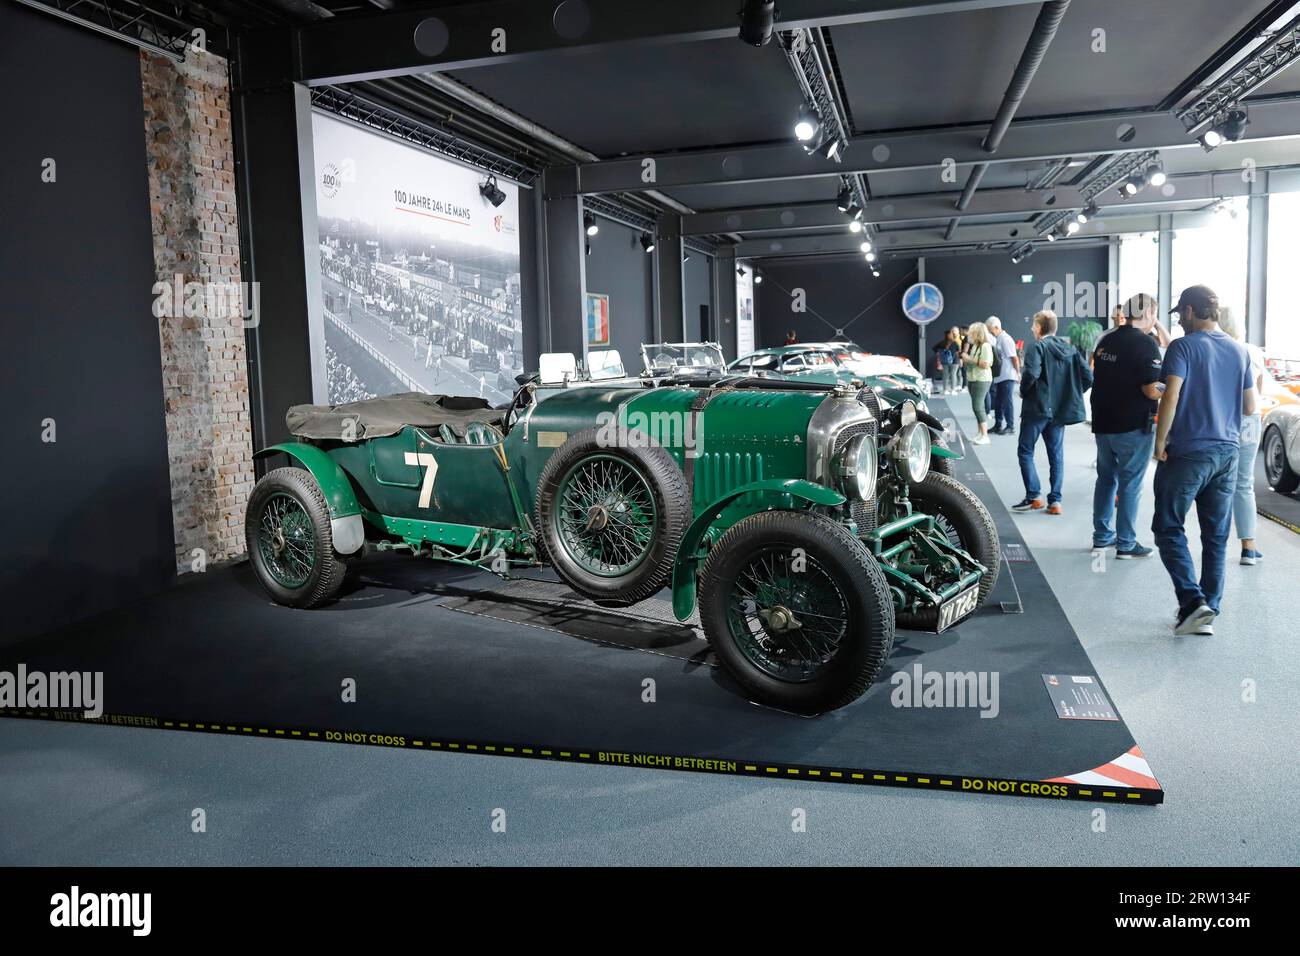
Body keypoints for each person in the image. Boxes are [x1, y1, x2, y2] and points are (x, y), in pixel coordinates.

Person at [1152, 285, 1258, 636]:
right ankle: (1209, 607)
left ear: (1191, 311)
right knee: (1216, 534)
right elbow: (1249, 407)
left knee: (1168, 526)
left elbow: (1170, 397)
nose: (1180, 321)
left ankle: (1192, 602)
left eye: (1180, 313)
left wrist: (1160, 442)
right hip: (1227, 453)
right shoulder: (1239, 350)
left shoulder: (1182, 347)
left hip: (1188, 452)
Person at [1090, 293, 1163, 557]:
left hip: (1103, 422)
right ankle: (1126, 543)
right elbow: (1151, 389)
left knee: (1106, 479)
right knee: (1130, 483)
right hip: (1131, 425)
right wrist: (1171, 386)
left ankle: (1101, 536)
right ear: (1149, 314)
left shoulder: (1107, 340)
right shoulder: (1145, 344)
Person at [1012, 309, 1093, 515]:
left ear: (1039, 327)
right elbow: (1088, 377)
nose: (1032, 328)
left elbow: (1031, 373)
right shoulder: (1071, 349)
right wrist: (1070, 394)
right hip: (1059, 411)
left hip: (1037, 408)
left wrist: (1023, 391)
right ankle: (1055, 501)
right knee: (1056, 455)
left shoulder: (1037, 347)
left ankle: (1034, 496)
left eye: (1033, 325)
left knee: (1025, 450)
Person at [1216, 307, 1266, 567]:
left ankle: (1217, 544)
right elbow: (1257, 392)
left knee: (1220, 482)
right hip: (1249, 420)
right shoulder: (1254, 351)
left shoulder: (1215, 349)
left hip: (1221, 419)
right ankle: (1248, 547)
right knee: (1243, 482)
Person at [961, 322, 995, 444]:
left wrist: (968, 358)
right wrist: (967, 359)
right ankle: (980, 433)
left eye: (972, 332)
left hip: (982, 379)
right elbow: (974, 362)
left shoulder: (985, 346)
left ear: (977, 333)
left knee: (978, 407)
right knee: (977, 407)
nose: (970, 335)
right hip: (973, 378)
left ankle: (985, 436)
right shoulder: (975, 346)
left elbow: (985, 364)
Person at [986, 316, 1020, 435]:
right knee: (998, 402)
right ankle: (998, 424)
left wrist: (1018, 373)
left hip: (1007, 375)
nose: (990, 332)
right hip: (1000, 376)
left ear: (996, 327)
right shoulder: (998, 339)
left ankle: (1010, 426)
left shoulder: (1006, 339)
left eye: (990, 329)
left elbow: (1014, 358)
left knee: (1007, 401)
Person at [938, 328, 962, 395]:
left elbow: (938, 352)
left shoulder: (942, 343)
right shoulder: (955, 343)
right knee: (953, 375)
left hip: (946, 361)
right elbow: (959, 352)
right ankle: (952, 389)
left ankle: (946, 389)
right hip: (954, 361)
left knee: (946, 375)